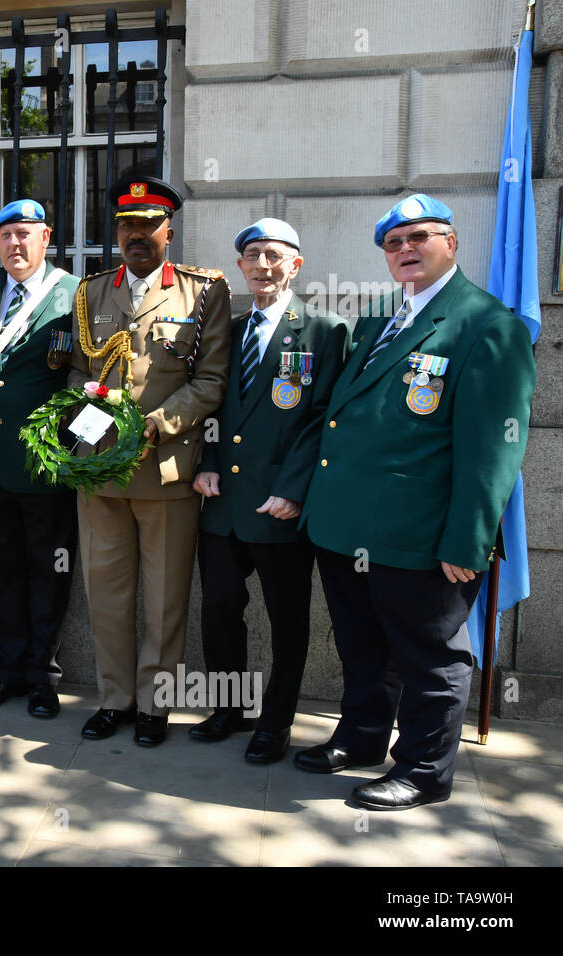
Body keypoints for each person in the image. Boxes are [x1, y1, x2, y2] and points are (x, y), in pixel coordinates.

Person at [296, 194, 535, 809]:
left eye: (420, 237)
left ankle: (425, 769)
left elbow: (493, 450)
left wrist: (468, 539)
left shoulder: (487, 325)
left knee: (429, 657)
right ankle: (362, 737)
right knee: (362, 646)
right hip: (348, 528)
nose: (406, 250)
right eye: (394, 243)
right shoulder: (381, 321)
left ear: (451, 243)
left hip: (422, 535)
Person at [69, 174, 232, 745]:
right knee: (106, 593)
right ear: (116, 231)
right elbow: (78, 370)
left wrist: (155, 426)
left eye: (147, 224)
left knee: (165, 600)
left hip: (165, 469)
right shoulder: (90, 292)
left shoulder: (204, 291)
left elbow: (211, 380)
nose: (136, 234)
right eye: (126, 225)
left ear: (168, 228)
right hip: (100, 470)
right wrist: (79, 424)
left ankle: (155, 705)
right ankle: (114, 698)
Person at [190, 218, 348, 762]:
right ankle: (230, 709)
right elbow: (209, 405)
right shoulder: (227, 332)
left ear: (295, 265)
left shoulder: (325, 331)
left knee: (287, 620)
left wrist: (294, 489)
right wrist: (206, 462)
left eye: (274, 256)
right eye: (252, 255)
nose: (262, 265)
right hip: (222, 504)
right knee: (218, 611)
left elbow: (323, 418)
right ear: (240, 266)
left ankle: (276, 722)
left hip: (280, 506)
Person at [0, 199, 80, 719]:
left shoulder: (75, 293)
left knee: (48, 572)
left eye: (25, 233)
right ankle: (3, 671)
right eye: (5, 235)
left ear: (46, 237)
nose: (15, 243)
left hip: (44, 466)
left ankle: (42, 677)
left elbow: (82, 372)